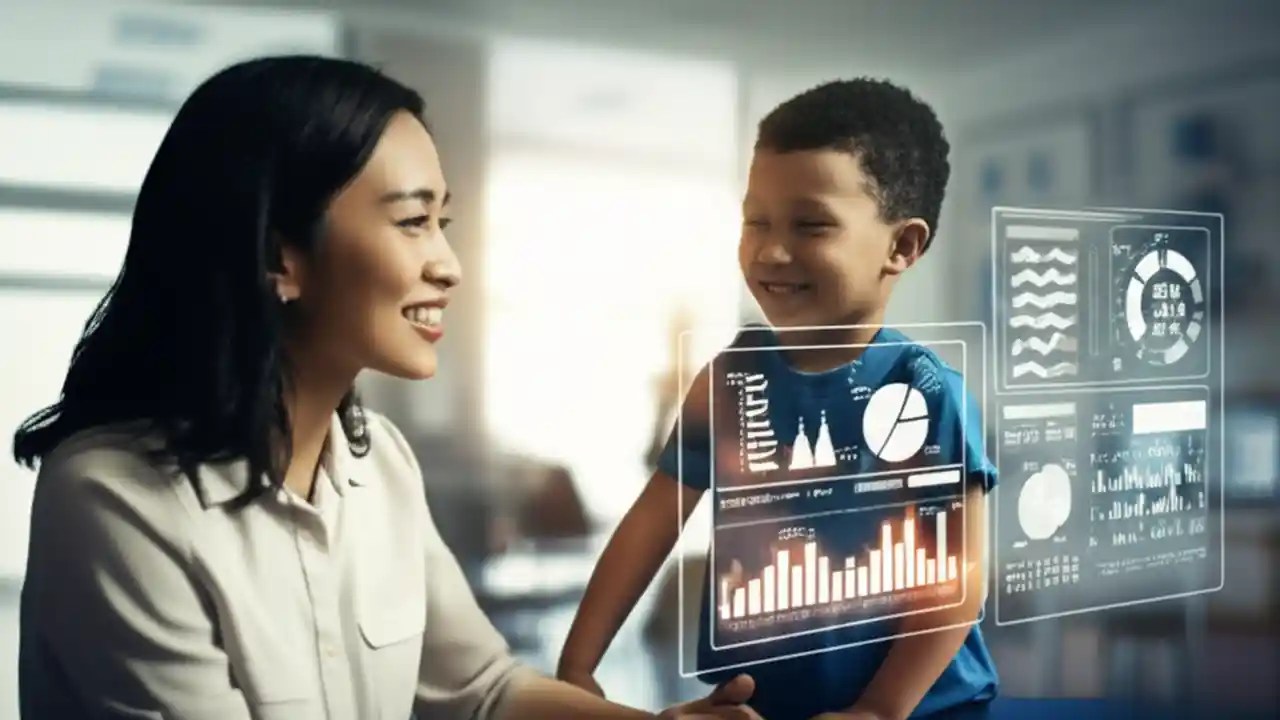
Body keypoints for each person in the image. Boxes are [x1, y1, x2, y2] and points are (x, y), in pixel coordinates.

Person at [11, 55, 765, 720]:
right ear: (281, 255)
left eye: (443, 221)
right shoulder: (117, 500)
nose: (449, 265)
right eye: (412, 222)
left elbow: (481, 692)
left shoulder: (382, 467)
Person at [558, 79, 999, 719]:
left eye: (810, 225)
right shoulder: (728, 377)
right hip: (758, 706)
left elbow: (954, 581)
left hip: (923, 710)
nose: (770, 250)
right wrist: (577, 665)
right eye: (755, 220)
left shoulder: (924, 392)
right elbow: (652, 523)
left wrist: (880, 709)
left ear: (901, 247)